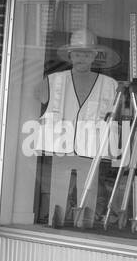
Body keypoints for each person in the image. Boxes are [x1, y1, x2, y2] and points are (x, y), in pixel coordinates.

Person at [38, 30, 121, 223]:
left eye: (85, 53)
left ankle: (86, 225)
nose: (81, 57)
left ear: (94, 56)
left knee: (88, 191)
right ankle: (55, 222)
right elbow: (39, 97)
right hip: (59, 149)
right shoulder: (52, 81)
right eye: (76, 53)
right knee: (58, 192)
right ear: (69, 55)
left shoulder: (110, 85)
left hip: (91, 151)